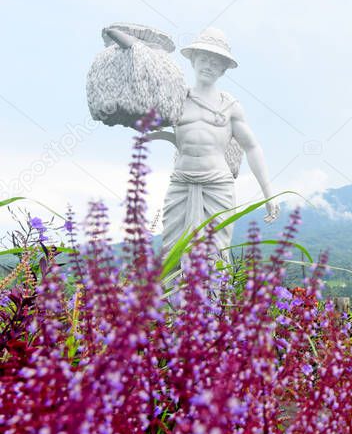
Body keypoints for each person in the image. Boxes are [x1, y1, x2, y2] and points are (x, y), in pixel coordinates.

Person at [105, 26, 280, 260]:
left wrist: (268, 193)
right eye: (204, 58)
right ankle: (172, 297)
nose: (209, 65)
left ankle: (215, 297)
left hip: (217, 186)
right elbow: (145, 89)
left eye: (216, 62)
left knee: (215, 252)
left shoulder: (229, 106)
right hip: (181, 183)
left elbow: (252, 147)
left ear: (223, 70)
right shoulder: (176, 99)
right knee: (172, 251)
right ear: (193, 60)